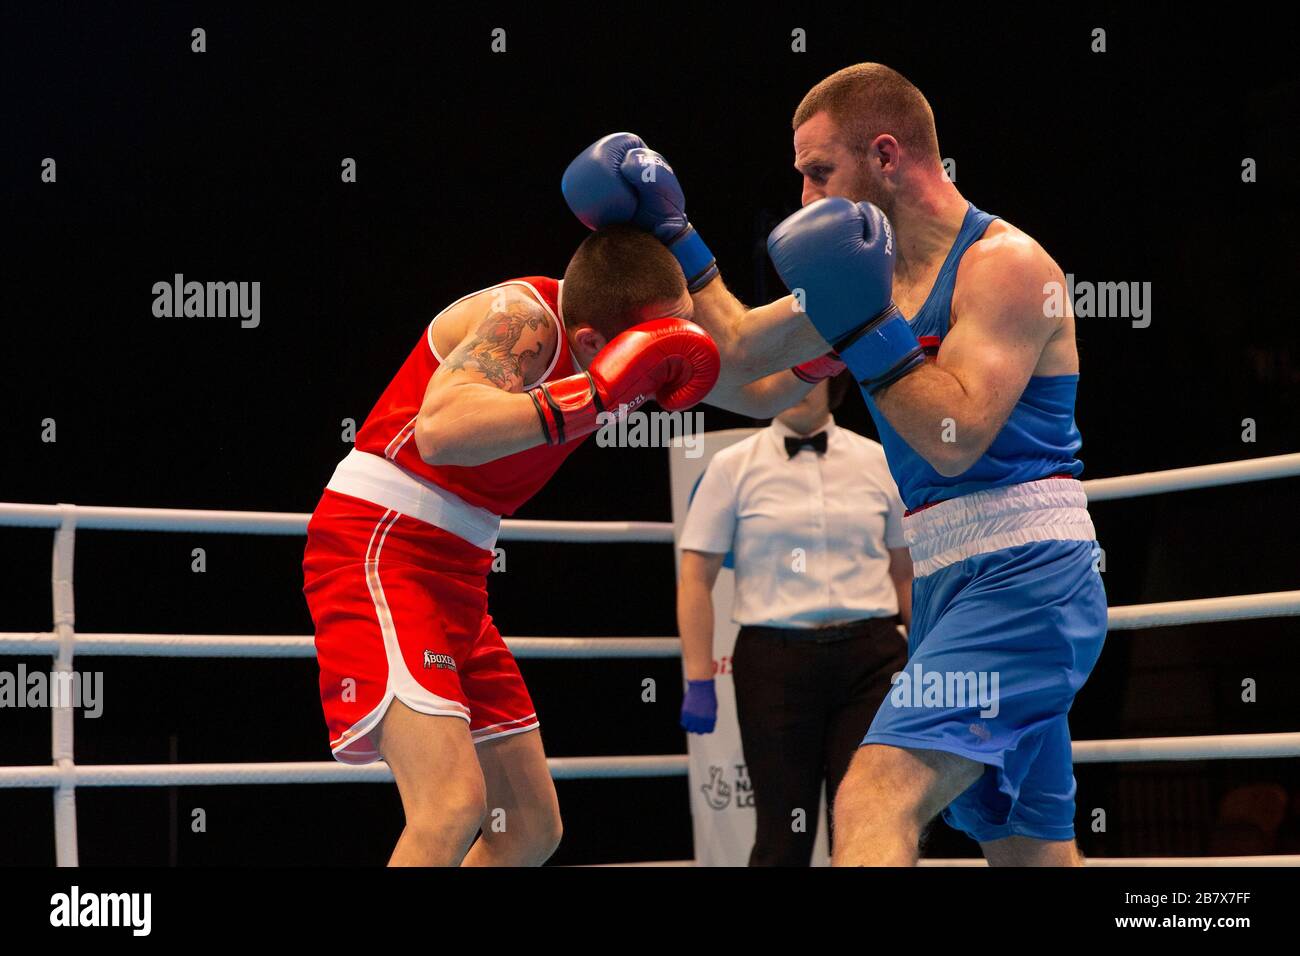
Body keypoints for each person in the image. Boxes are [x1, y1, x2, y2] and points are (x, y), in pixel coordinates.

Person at [562, 60, 1108, 867]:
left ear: (886, 156)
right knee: (1031, 855)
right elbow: (749, 364)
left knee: (872, 795)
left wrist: (864, 323)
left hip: (1027, 585)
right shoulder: (869, 277)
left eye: (820, 173)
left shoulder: (1007, 267)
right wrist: (678, 236)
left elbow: (952, 436)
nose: (808, 199)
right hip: (945, 586)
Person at [302, 225, 722, 866]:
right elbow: (441, 431)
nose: (670, 353)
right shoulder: (526, 320)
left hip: (463, 567)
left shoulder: (655, 336)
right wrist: (593, 391)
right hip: (384, 540)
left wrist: (858, 324)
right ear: (591, 342)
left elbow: (757, 371)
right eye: (653, 344)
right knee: (449, 804)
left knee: (527, 827)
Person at [676, 374, 911, 865]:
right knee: (783, 831)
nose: (798, 381)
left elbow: (904, 572)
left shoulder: (878, 459)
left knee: (872, 817)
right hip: (775, 664)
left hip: (872, 661)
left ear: (834, 379)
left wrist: (930, 660)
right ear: (761, 383)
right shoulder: (731, 467)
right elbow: (696, 577)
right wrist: (698, 679)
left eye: (810, 368)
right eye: (785, 369)